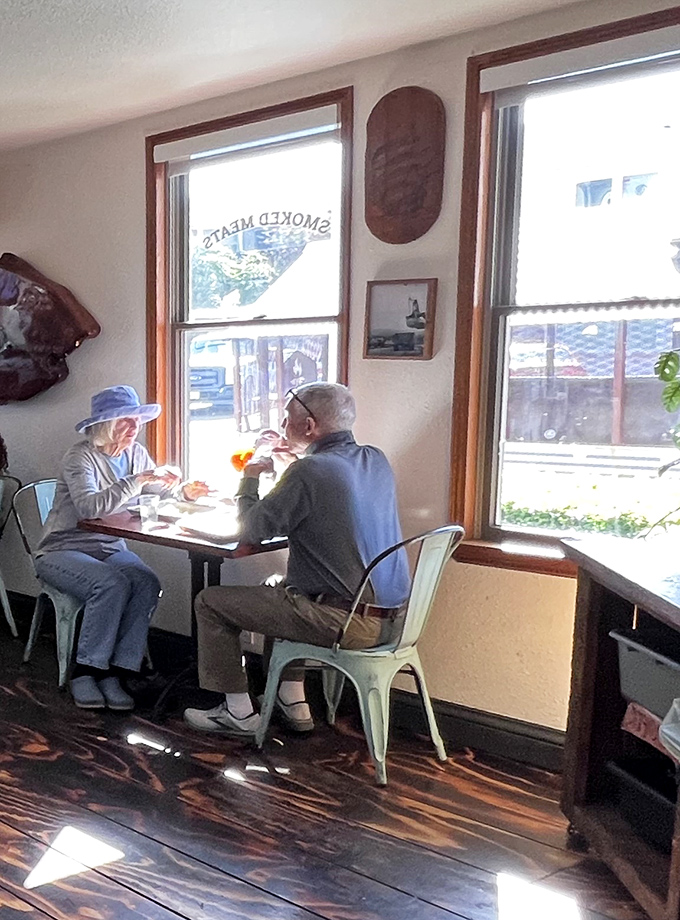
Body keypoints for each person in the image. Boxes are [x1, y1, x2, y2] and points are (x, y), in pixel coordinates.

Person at [184, 381, 411, 737]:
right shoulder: (374, 459)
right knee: (280, 587)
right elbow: (330, 506)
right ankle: (294, 700)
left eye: (287, 418)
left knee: (210, 602)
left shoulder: (309, 471)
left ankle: (239, 713)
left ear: (309, 426)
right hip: (395, 619)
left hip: (345, 622)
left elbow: (252, 528)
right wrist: (296, 467)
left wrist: (249, 479)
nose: (283, 424)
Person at [36, 385, 207, 710]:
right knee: (110, 584)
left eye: (135, 421)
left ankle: (121, 669)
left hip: (109, 545)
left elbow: (155, 495)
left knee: (146, 582)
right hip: (62, 548)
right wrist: (138, 480)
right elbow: (90, 508)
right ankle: (86, 670)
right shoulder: (79, 457)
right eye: (124, 422)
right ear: (104, 426)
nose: (133, 429)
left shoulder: (135, 453)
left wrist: (185, 492)